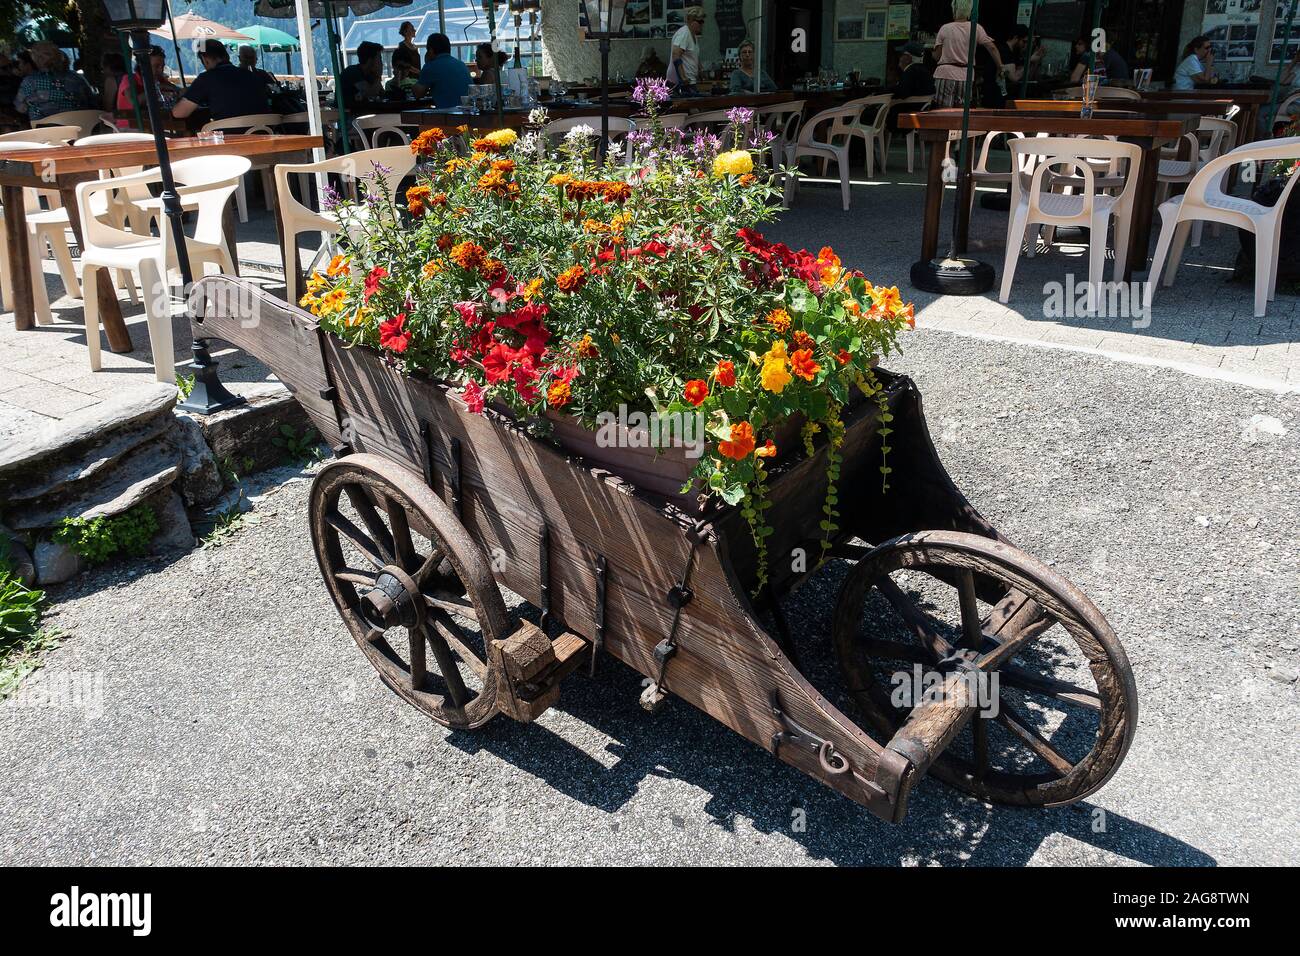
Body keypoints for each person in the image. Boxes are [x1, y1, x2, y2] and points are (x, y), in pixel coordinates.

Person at [172, 39, 272, 121]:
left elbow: (179, 113)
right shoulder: (252, 75)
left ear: (205, 59)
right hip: (261, 132)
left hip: (228, 136)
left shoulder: (207, 78)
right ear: (227, 56)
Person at [932, 0, 1004, 108]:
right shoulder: (976, 28)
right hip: (966, 75)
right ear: (969, 11)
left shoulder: (945, 28)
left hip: (945, 74)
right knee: (961, 111)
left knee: (943, 112)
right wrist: (1000, 66)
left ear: (954, 10)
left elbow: (937, 56)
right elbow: (992, 48)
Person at [14, 41, 95, 121]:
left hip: (45, 127)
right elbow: (91, 102)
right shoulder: (77, 78)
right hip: (79, 124)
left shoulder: (30, 82)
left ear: (37, 59)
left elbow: (20, 108)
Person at [115, 44, 179, 126]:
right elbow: (134, 101)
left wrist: (179, 91)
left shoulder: (159, 79)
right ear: (143, 66)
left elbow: (176, 90)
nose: (161, 70)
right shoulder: (129, 79)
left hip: (152, 125)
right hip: (129, 127)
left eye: (162, 66)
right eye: (156, 66)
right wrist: (157, 88)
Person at [416, 33, 471, 108]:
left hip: (447, 113)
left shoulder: (432, 66)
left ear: (430, 50)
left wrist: (427, 64)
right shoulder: (461, 64)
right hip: (467, 112)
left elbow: (418, 94)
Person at [333, 41, 384, 113]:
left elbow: (382, 94)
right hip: (346, 115)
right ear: (370, 60)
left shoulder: (369, 75)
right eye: (379, 59)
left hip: (359, 113)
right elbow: (371, 92)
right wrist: (378, 74)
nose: (382, 63)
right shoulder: (352, 72)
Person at [667, 6, 706, 93]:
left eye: (703, 22)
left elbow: (693, 55)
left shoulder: (693, 35)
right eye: (700, 22)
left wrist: (700, 69)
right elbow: (676, 55)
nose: (702, 24)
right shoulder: (684, 34)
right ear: (690, 20)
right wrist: (683, 77)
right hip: (681, 83)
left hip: (689, 81)